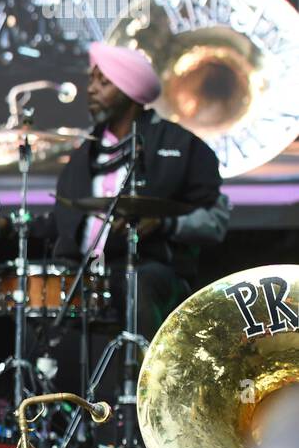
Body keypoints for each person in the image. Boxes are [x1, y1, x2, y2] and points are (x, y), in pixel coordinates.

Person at [25, 43, 230, 342]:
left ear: (130, 91)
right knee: (39, 286)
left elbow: (216, 221)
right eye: (91, 81)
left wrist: (165, 224)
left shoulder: (180, 145)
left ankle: (149, 379)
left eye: (103, 82)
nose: (91, 90)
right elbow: (66, 218)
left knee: (139, 281)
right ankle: (47, 377)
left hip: (150, 268)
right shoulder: (86, 152)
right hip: (83, 270)